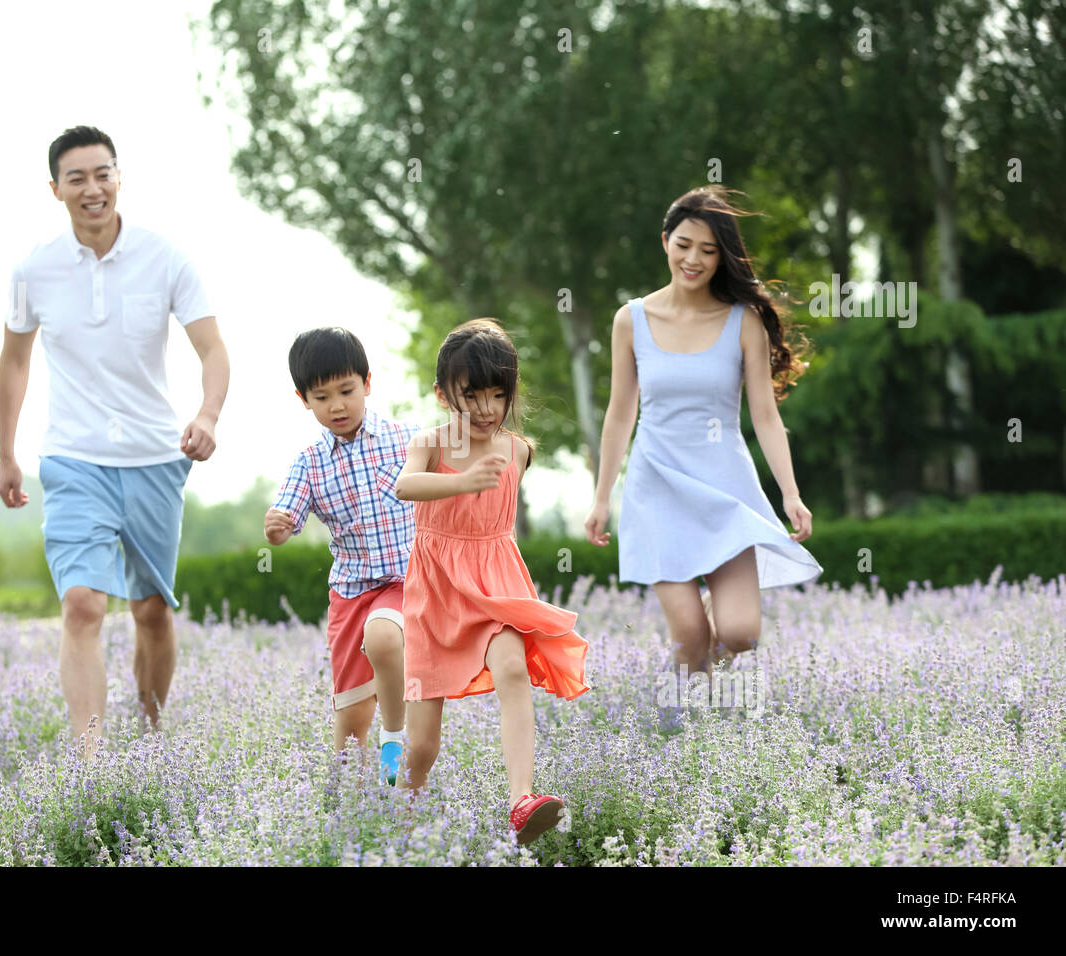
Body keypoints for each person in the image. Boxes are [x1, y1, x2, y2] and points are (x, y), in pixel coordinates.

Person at [0, 126, 230, 754]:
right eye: (77, 178)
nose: (92, 188)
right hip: (72, 459)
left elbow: (212, 349)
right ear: (55, 190)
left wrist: (206, 417)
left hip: (156, 458)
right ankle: (91, 767)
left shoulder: (167, 258)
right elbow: (14, 363)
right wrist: (7, 454)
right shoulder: (31, 269)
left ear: (119, 177)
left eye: (103, 174)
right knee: (81, 605)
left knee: (151, 611)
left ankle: (151, 733)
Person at [585, 185, 821, 679]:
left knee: (740, 634)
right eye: (684, 244)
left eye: (709, 251)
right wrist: (602, 497)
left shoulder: (744, 321)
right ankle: (686, 732)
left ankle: (696, 699)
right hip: (658, 490)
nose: (694, 259)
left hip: (724, 490)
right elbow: (619, 413)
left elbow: (765, 416)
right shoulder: (631, 320)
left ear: (723, 258)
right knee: (691, 638)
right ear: (665, 240)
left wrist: (791, 494)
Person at [395, 319, 590, 845]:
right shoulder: (430, 443)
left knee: (512, 669)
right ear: (443, 394)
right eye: (472, 394)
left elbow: (494, 520)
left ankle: (521, 800)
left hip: (496, 586)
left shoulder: (518, 451)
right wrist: (459, 481)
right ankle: (400, 821)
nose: (486, 408)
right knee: (423, 747)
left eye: (498, 394)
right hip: (436, 594)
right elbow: (404, 485)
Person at [264, 328, 417, 784]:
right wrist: (277, 527)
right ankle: (351, 811)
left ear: (367, 383)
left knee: (385, 638)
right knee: (350, 729)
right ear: (303, 400)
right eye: (322, 396)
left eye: (347, 391)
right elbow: (284, 517)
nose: (337, 406)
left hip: (406, 582)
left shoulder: (406, 439)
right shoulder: (310, 461)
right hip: (350, 594)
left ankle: (395, 741)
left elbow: (452, 481)